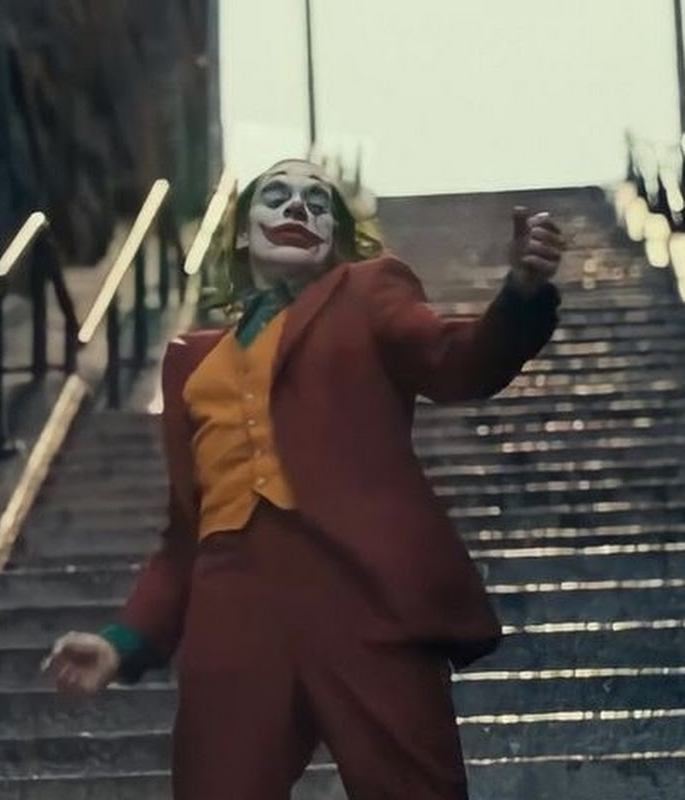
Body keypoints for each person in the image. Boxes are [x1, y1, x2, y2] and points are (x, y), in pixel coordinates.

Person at [44, 159, 564, 800]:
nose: (298, 208)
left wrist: (520, 292)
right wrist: (121, 643)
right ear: (241, 233)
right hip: (231, 610)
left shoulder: (369, 292)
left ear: (336, 242)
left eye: (318, 204)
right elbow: (184, 537)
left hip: (361, 594)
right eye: (277, 196)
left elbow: (458, 360)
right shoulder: (187, 362)